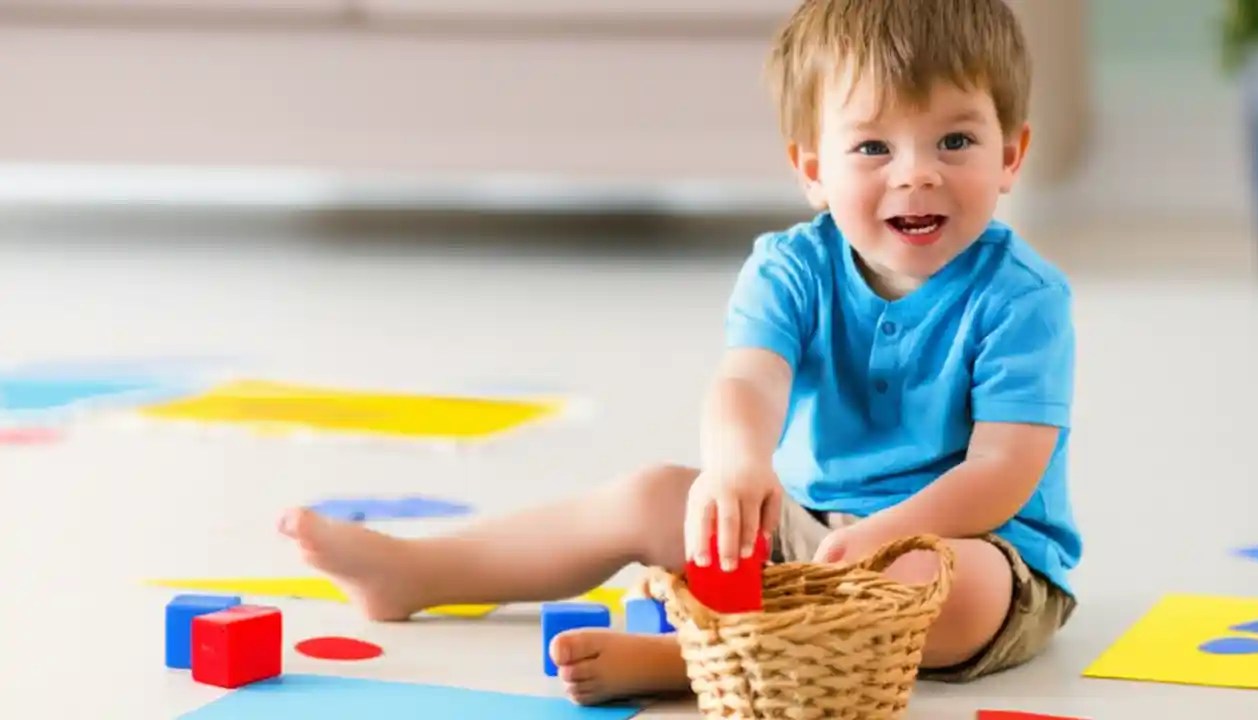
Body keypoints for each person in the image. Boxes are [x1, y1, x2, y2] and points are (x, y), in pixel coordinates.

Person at [277, 0, 1080, 705]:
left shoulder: (1021, 298)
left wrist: (886, 536)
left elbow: (1001, 469)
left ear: (1010, 155)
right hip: (813, 529)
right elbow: (748, 381)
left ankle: (690, 662)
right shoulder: (792, 267)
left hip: (975, 552)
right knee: (655, 494)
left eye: (954, 141)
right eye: (873, 148)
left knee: (943, 590)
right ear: (812, 168)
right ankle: (423, 572)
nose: (917, 176)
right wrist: (738, 467)